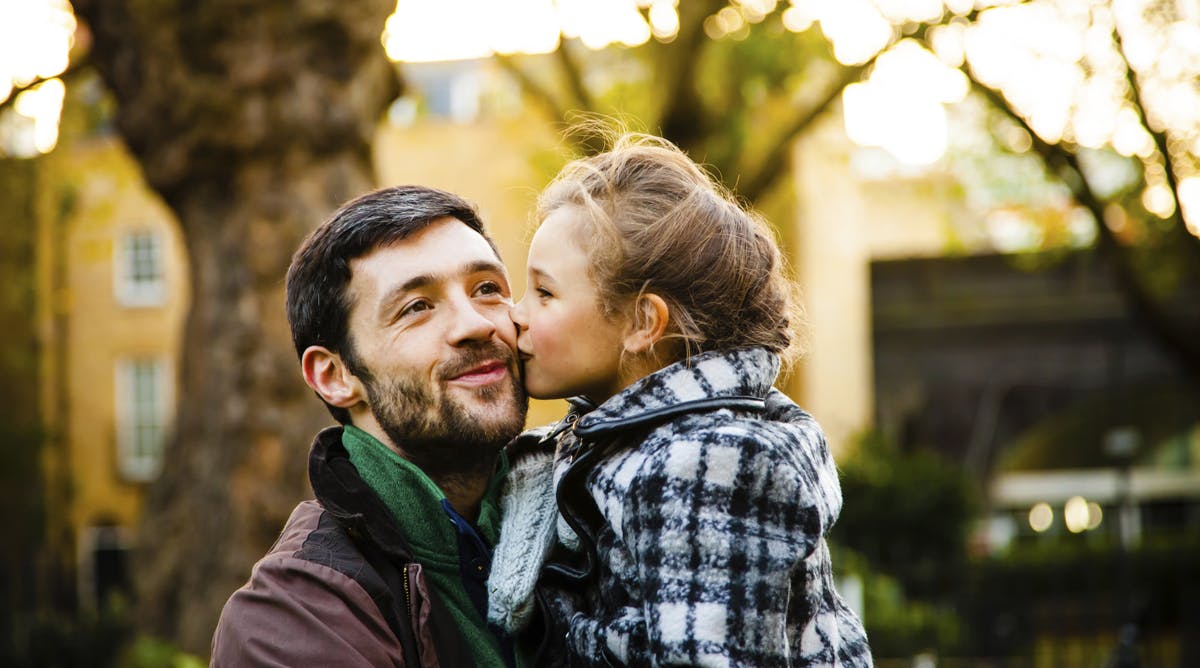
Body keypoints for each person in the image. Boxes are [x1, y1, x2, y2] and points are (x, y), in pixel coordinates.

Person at [487, 134, 873, 666]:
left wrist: (561, 629)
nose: (516, 313)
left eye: (545, 293)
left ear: (642, 322)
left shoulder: (707, 462)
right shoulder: (628, 439)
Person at [211, 185, 531, 667]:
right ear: (335, 376)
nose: (475, 324)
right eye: (416, 307)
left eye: (486, 289)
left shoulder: (587, 521)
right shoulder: (291, 619)